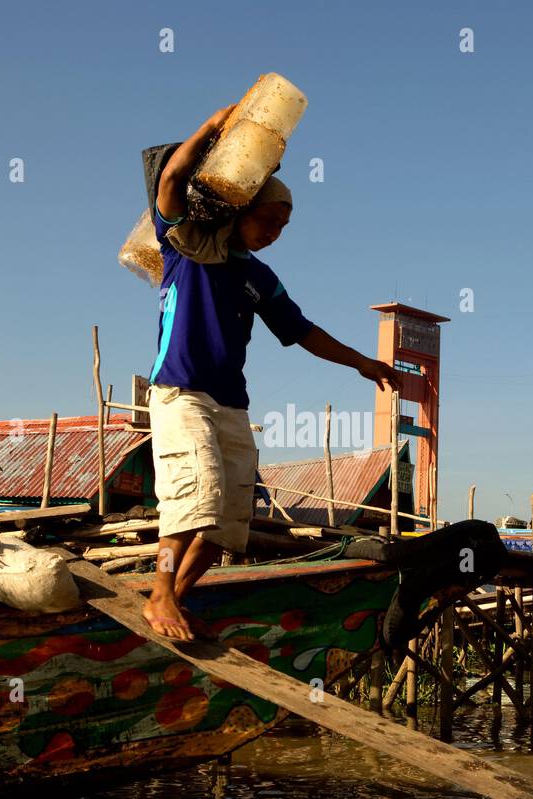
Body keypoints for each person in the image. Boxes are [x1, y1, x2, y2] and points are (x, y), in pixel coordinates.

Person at [141, 107, 400, 641]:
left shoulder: (259, 278)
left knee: (229, 523)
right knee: (195, 502)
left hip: (231, 405)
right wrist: (213, 128)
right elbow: (171, 179)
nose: (275, 233)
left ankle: (180, 599)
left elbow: (304, 331)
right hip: (180, 395)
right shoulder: (188, 247)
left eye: (283, 227)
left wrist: (362, 362)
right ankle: (160, 593)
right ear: (239, 212)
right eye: (268, 222)